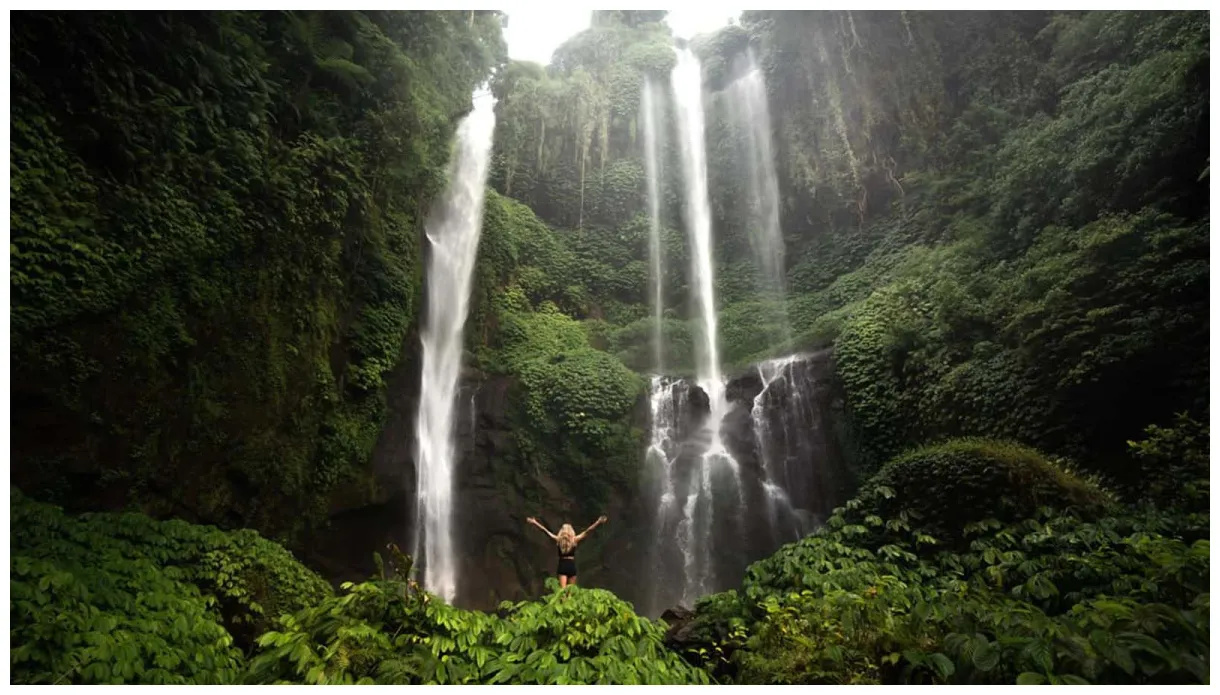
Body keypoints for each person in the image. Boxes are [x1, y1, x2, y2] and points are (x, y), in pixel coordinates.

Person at [525, 514, 608, 588]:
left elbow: (545, 531)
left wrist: (535, 522)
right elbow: (588, 531)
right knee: (570, 592)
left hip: (562, 566)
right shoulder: (574, 540)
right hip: (571, 566)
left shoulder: (558, 540)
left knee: (562, 592)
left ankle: (563, 604)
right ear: (571, 531)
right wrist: (598, 522)